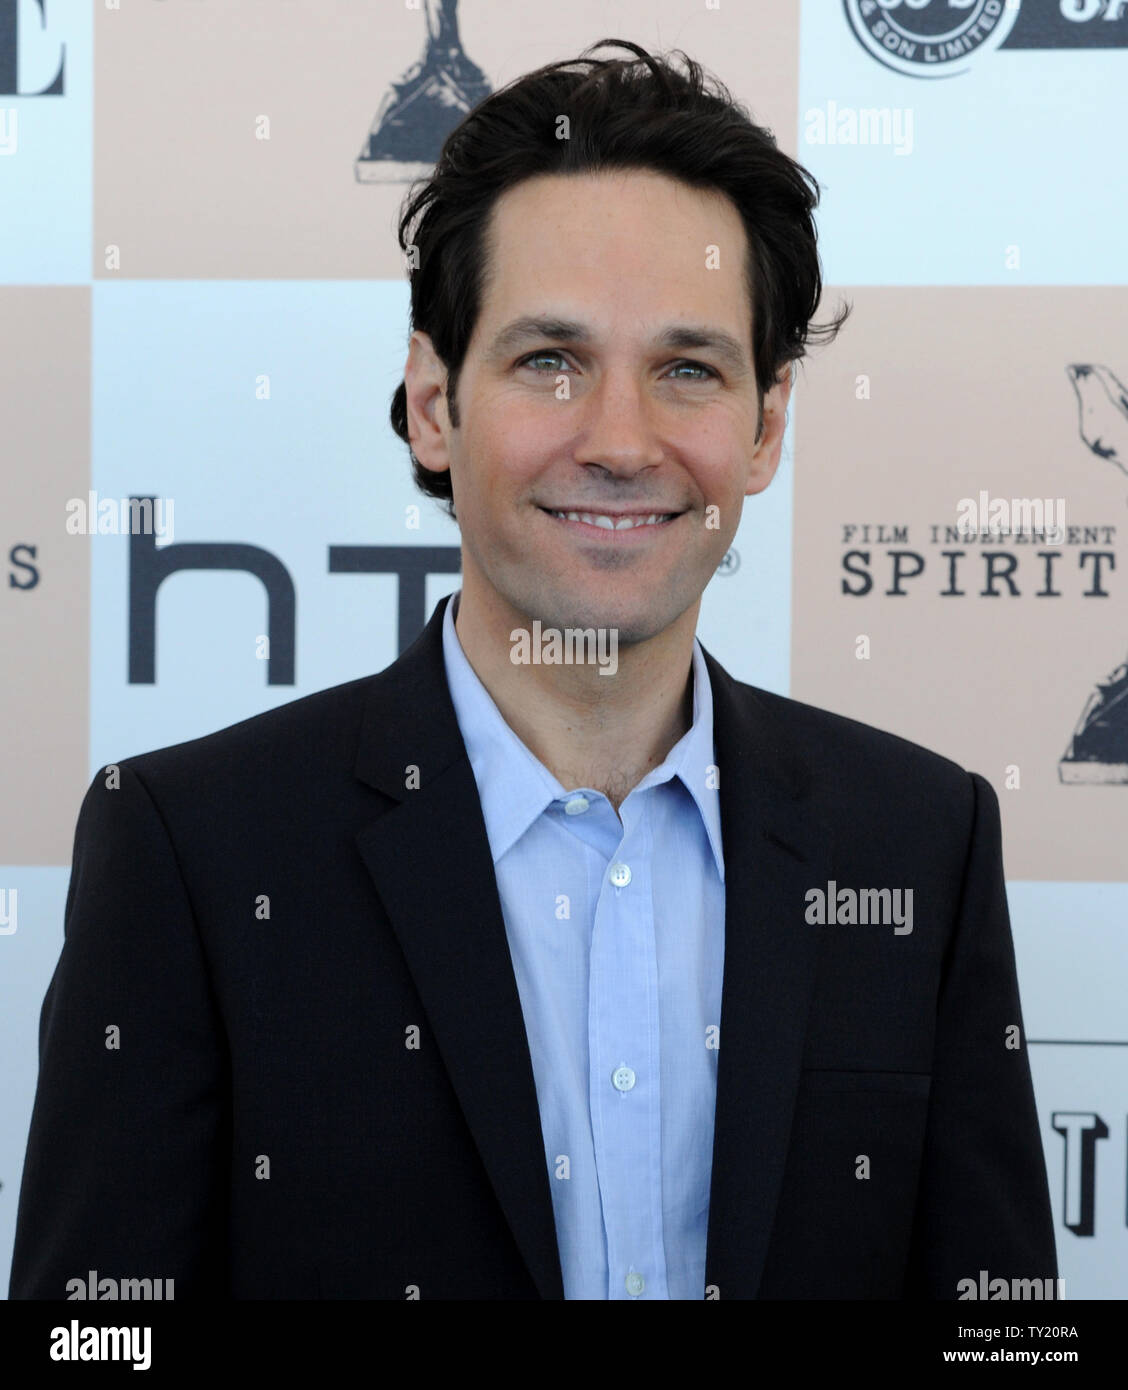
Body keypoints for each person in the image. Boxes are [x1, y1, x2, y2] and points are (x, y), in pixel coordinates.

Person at [10, 39, 1056, 1300]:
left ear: (767, 423)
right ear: (435, 402)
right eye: (549, 360)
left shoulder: (918, 844)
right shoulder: (193, 851)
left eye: (687, 369)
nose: (620, 441)